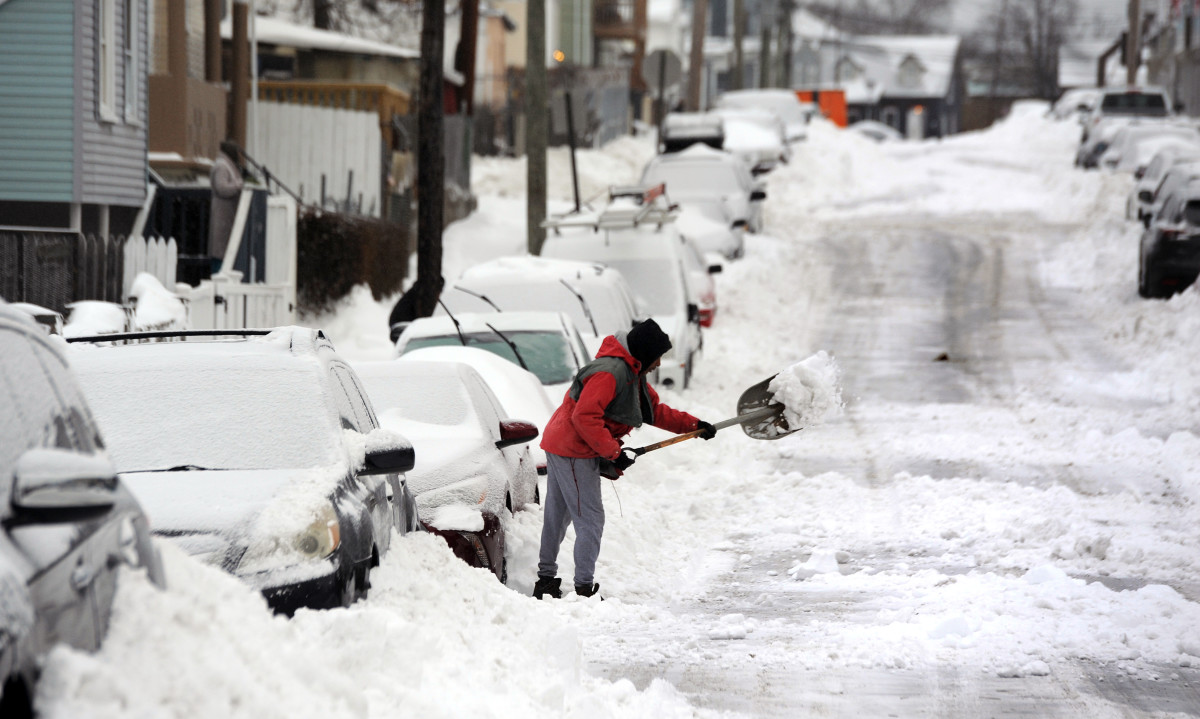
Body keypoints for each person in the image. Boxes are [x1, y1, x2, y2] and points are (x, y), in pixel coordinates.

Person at [533, 319, 716, 600]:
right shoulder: (611, 373)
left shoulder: (631, 371)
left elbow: (654, 410)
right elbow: (584, 417)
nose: (657, 365)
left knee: (559, 515)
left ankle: (545, 580)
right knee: (590, 519)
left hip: (562, 443)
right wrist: (614, 453)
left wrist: (695, 426)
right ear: (644, 353)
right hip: (573, 449)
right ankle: (583, 588)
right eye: (657, 358)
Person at [208, 141, 244, 276]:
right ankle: (218, 279)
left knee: (224, 251)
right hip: (222, 215)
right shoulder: (222, 166)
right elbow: (221, 187)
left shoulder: (227, 165)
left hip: (227, 215)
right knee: (221, 253)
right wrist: (238, 186)